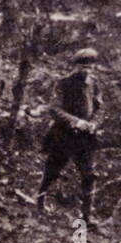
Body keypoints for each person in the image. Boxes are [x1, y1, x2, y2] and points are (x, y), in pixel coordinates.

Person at [36, 47, 101, 225]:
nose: (87, 70)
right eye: (83, 67)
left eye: (90, 67)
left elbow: (98, 106)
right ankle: (39, 204)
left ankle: (87, 216)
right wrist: (75, 121)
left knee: (89, 175)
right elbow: (54, 109)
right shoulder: (63, 83)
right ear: (76, 66)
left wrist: (94, 123)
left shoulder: (94, 83)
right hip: (63, 135)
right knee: (52, 170)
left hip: (85, 137)